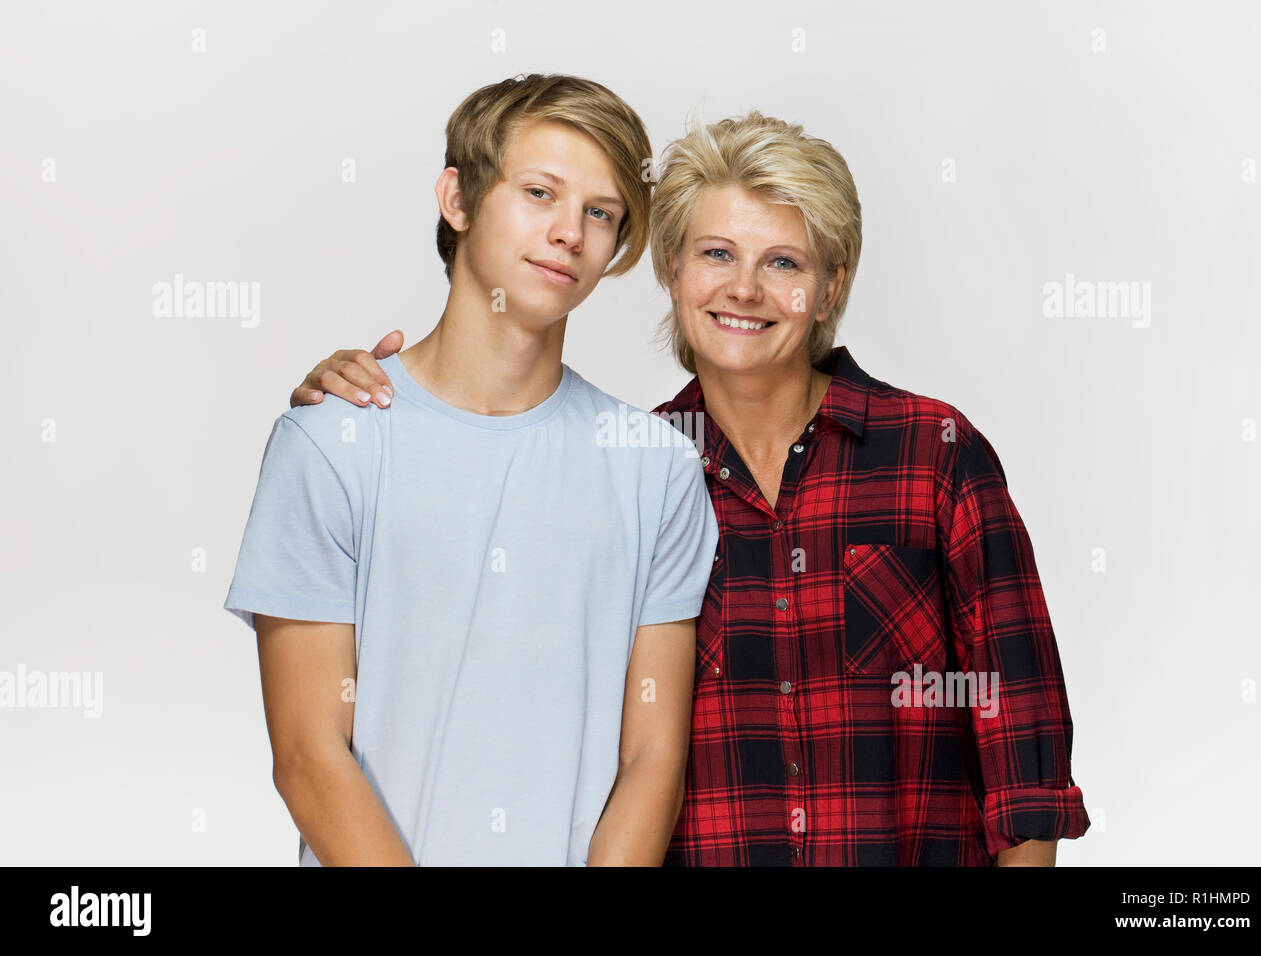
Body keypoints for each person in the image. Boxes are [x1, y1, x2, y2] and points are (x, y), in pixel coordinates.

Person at [291, 110, 1090, 866]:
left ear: (832, 286)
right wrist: (367, 405)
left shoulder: (934, 455)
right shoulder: (625, 470)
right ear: (672, 271)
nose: (744, 289)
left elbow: (1025, 751)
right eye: (716, 254)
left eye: (784, 262)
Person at [223, 74, 718, 867]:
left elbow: (650, 759)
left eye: (601, 213)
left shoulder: (655, 468)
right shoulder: (329, 443)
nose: (569, 232)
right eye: (539, 193)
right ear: (457, 199)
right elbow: (310, 757)